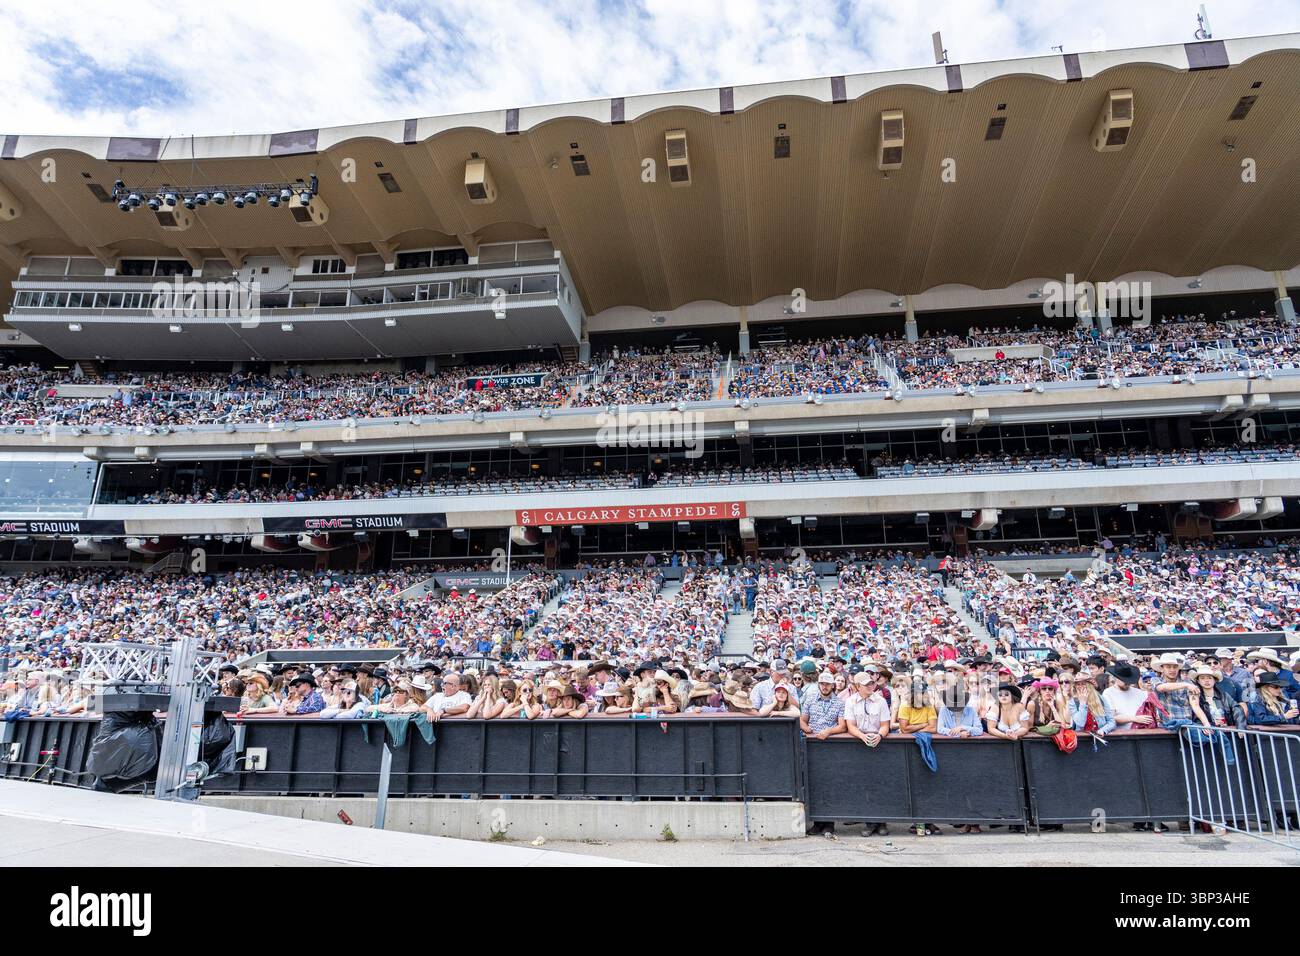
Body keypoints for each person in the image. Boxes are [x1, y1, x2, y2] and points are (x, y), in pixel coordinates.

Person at [1101, 662, 1153, 728]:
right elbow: (1111, 718)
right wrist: (1135, 718)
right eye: (1124, 680)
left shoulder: (1140, 693)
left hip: (1141, 731)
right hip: (1120, 734)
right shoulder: (1108, 693)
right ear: (1116, 677)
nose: (1127, 682)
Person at [1067, 672, 1116, 737]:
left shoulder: (1100, 698)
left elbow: (1111, 722)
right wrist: (1082, 703)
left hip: (1100, 737)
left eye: (1083, 684)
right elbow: (1080, 723)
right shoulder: (1073, 701)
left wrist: (1103, 730)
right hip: (1082, 739)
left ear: (1089, 685)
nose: (1080, 687)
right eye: (1078, 684)